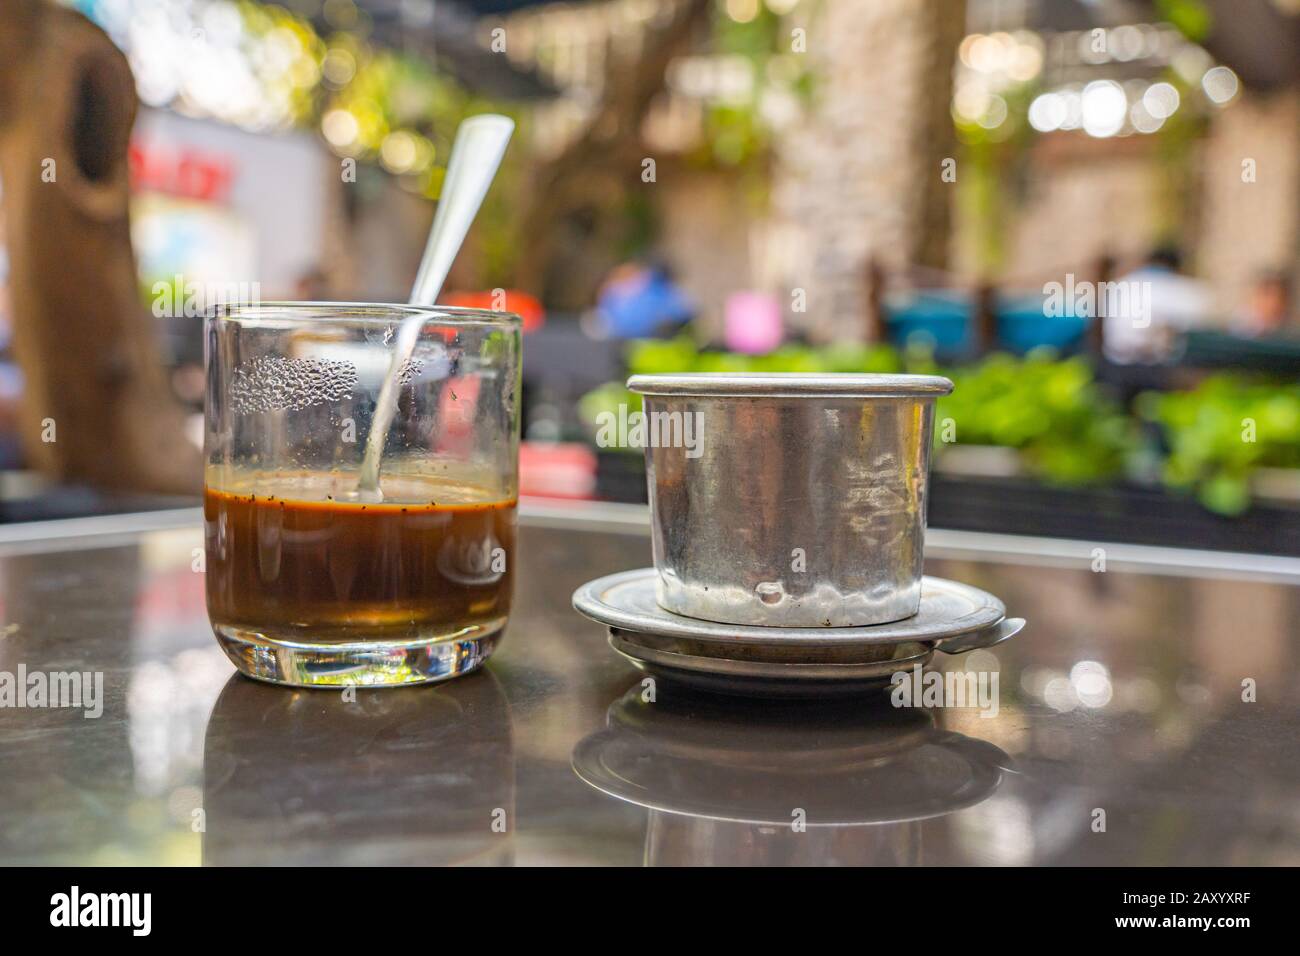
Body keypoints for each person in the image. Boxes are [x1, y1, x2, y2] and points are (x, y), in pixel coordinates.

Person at [1102, 246, 1211, 364]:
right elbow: (1200, 326)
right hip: (1159, 367)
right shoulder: (1184, 290)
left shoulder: (1121, 285)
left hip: (1114, 361)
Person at [1232, 269, 1293, 338]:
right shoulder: (1244, 323)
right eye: (1268, 295)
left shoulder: (1288, 327)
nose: (1274, 303)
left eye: (1280, 297)